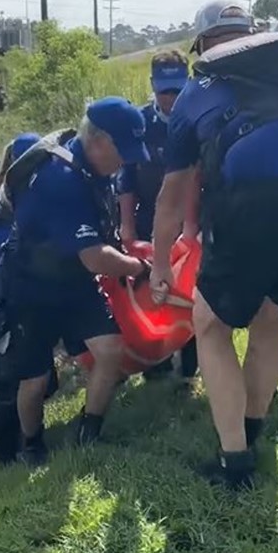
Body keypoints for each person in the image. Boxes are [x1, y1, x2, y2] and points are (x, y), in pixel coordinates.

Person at [149, 1, 278, 489]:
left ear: (204, 45)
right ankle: (251, 429)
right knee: (275, 316)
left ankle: (234, 462)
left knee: (210, 324)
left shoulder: (196, 91)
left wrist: (161, 263)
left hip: (250, 206)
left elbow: (172, 195)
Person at [1, 98, 152, 465]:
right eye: (123, 151)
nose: (127, 161)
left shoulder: (94, 170)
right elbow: (95, 257)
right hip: (31, 288)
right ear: (98, 140)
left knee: (111, 349)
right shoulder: (61, 180)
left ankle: (90, 429)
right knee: (36, 381)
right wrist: (138, 268)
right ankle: (32, 443)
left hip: (72, 281)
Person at [0, 132, 59, 464]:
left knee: (40, 379)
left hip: (10, 301)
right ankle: (6, 456)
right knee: (6, 386)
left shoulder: (26, 196)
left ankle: (23, 434)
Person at [117, 49, 200, 383]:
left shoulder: (199, 119)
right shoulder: (140, 123)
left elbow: (200, 175)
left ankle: (190, 365)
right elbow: (126, 177)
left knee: (190, 292)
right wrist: (126, 224)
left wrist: (192, 225)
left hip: (190, 219)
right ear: (152, 85)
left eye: (177, 90)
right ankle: (156, 362)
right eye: (164, 90)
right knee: (154, 290)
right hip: (149, 216)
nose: (171, 98)